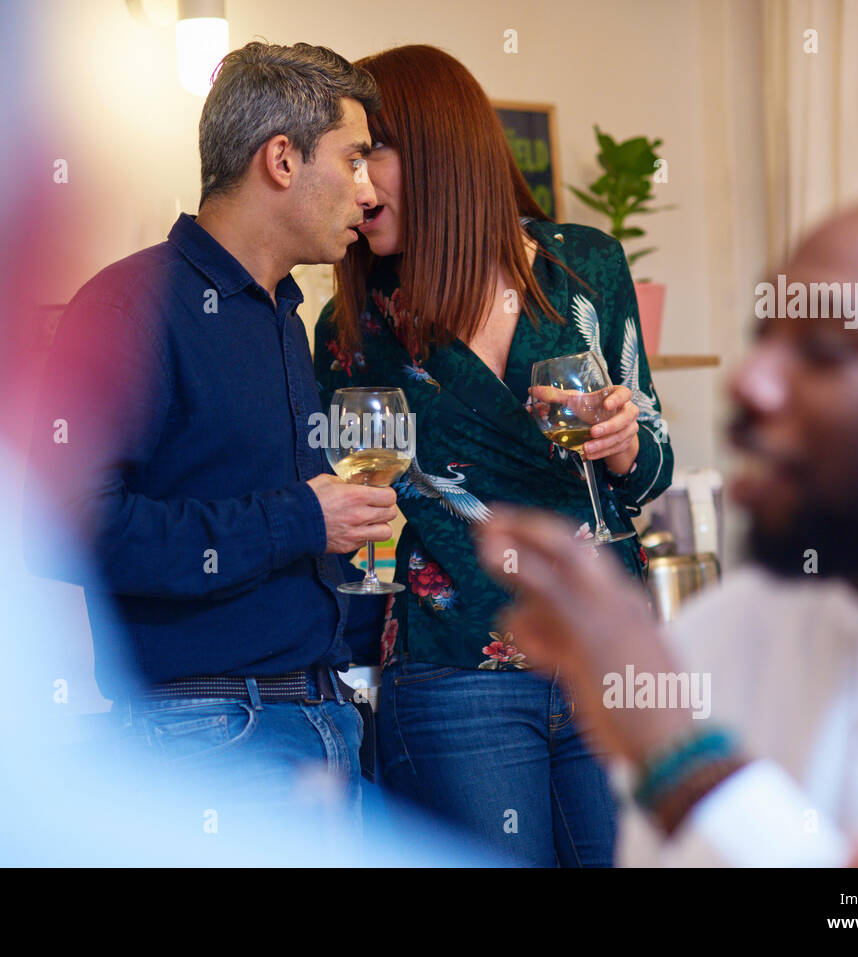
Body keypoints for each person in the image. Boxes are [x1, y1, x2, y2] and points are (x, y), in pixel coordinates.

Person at [476, 194, 858, 866]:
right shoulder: (717, 637)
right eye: (765, 340)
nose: (750, 383)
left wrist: (680, 765)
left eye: (826, 353)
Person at [23, 41, 401, 828]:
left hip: (315, 715)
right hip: (208, 734)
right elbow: (69, 529)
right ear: (282, 159)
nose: (369, 192)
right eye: (355, 158)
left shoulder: (285, 314)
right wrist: (305, 516)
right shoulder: (131, 303)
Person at [312, 45, 674, 866]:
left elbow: (653, 474)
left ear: (441, 151)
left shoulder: (586, 270)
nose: (360, 184)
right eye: (352, 159)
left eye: (375, 153)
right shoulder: (351, 329)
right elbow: (338, 513)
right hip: (453, 673)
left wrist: (623, 442)